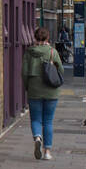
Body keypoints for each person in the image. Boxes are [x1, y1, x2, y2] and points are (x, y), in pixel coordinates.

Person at [22, 26, 63, 161]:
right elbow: (61, 71)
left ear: (35, 38)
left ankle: (37, 137)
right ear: (47, 38)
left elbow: (24, 73)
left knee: (36, 119)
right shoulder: (52, 52)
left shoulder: (29, 52)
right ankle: (47, 152)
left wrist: (28, 87)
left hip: (34, 89)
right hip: (51, 91)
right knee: (48, 121)